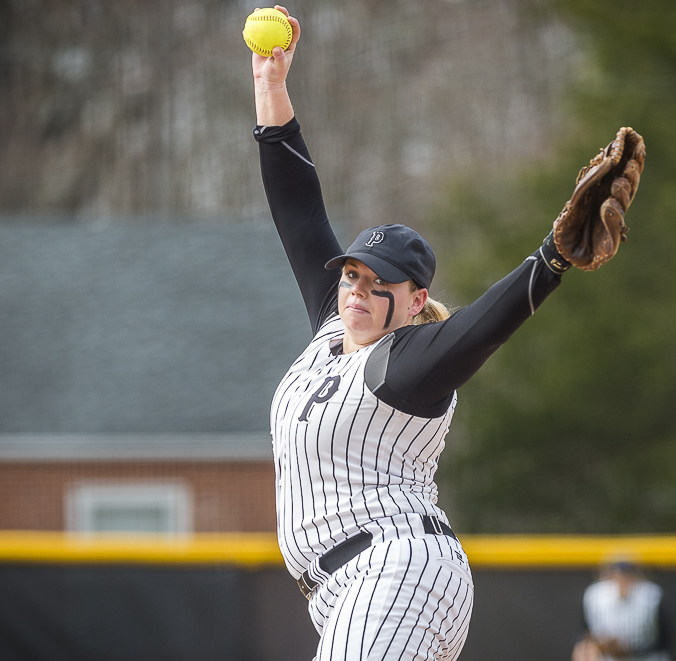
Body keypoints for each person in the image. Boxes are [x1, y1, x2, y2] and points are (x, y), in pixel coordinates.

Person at [251, 6, 579, 660]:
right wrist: (271, 86)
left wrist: (550, 261)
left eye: (381, 284)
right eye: (353, 276)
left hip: (394, 572)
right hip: (351, 589)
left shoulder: (403, 363)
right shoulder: (333, 323)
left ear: (415, 299)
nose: (360, 291)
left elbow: (480, 329)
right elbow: (298, 207)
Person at [572, 559, 671, 661]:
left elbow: (666, 639)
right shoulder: (594, 597)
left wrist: (631, 650)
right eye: (616, 575)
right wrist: (598, 645)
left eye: (626, 576)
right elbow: (583, 637)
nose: (621, 581)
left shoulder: (652, 597)